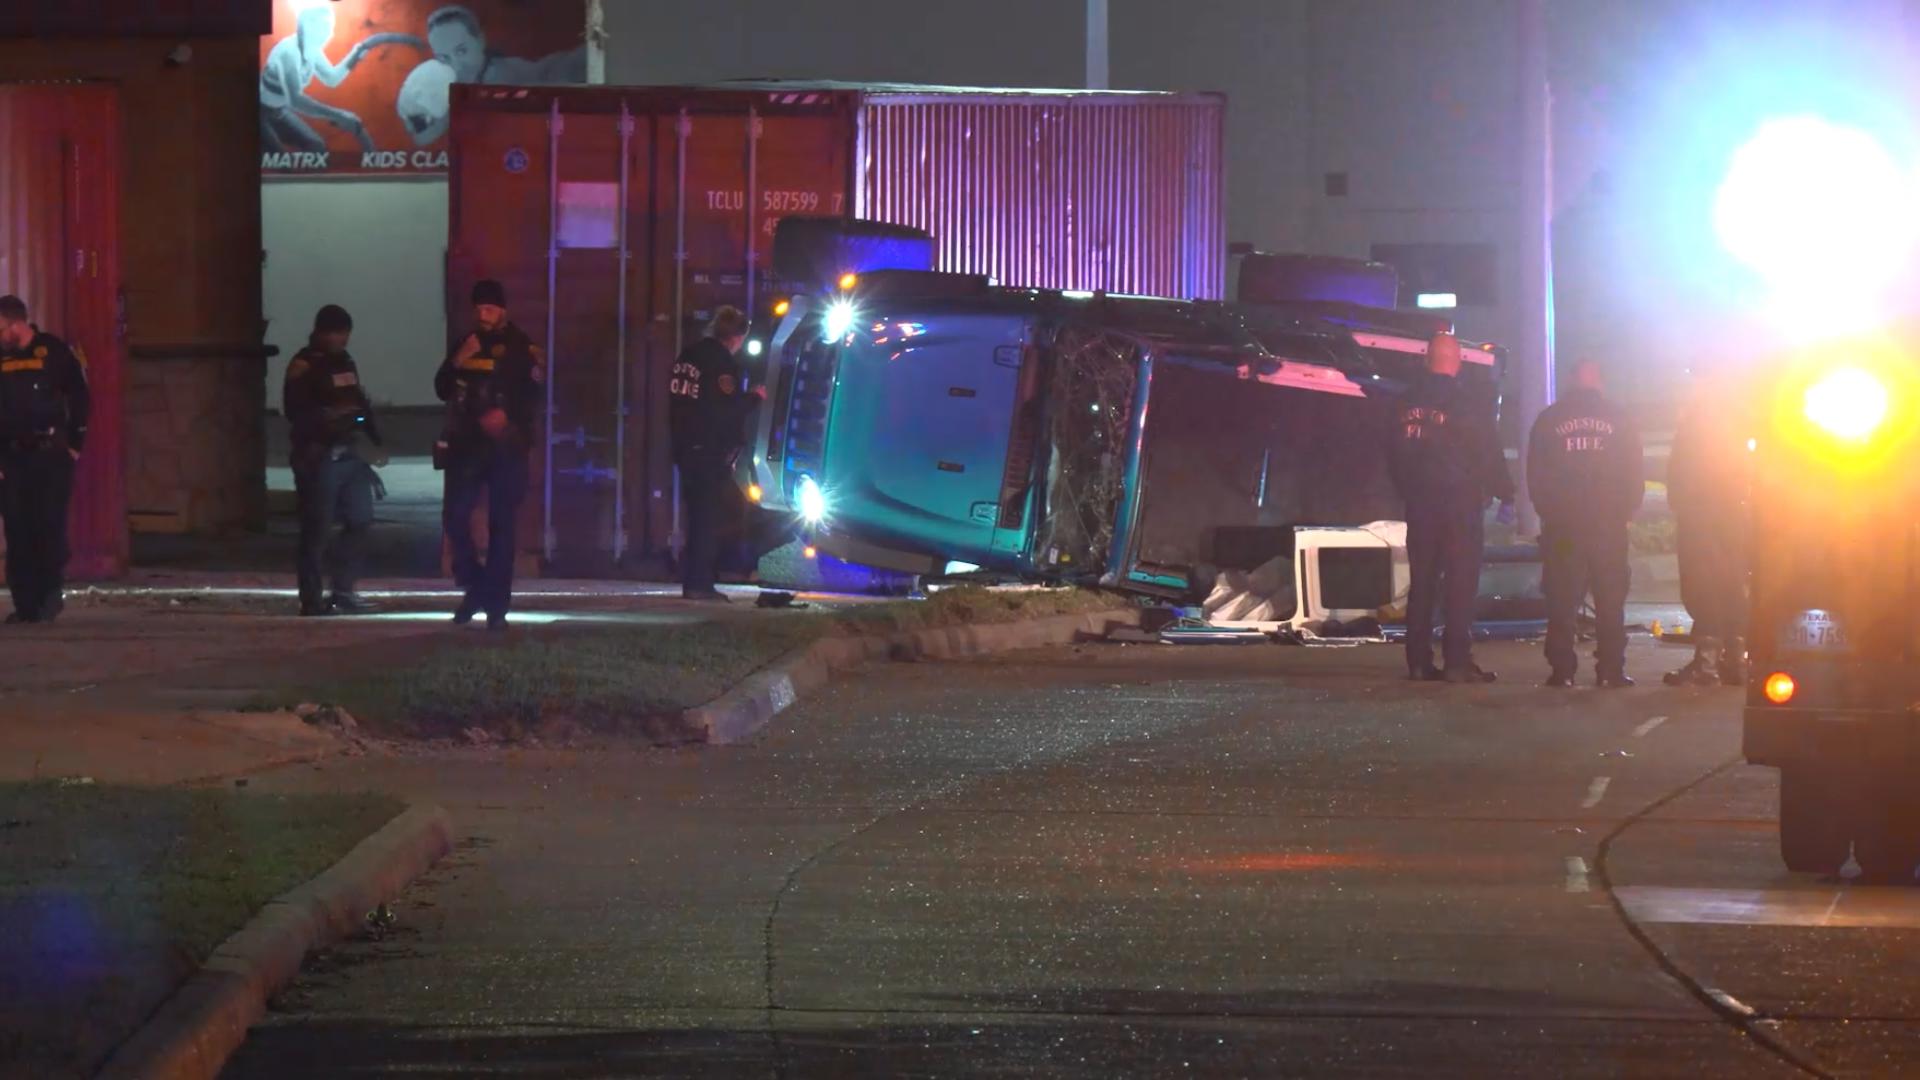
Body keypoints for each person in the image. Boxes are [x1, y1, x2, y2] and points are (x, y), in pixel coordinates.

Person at [1388, 332, 1515, 683]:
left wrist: (1408, 491)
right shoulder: (1467, 402)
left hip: (1419, 505)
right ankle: (1457, 662)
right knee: (1460, 584)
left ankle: (1417, 661)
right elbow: (1487, 451)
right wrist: (1505, 492)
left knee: (1423, 582)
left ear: (1428, 359)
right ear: (1456, 362)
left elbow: (1392, 456)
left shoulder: (1402, 404)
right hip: (1460, 505)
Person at [1527, 359, 1644, 688]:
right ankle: (1610, 669)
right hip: (1607, 525)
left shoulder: (1550, 420)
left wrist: (1549, 513)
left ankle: (1562, 670)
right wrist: (1626, 512)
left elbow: (1535, 473)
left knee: (1562, 598)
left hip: (1564, 526)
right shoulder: (1619, 419)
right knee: (1610, 599)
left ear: (1571, 380)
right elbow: (1634, 470)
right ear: (1600, 382)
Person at [436, 280, 543, 630]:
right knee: (455, 516)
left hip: (505, 448)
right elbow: (441, 388)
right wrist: (456, 362)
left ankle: (495, 606)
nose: (483, 315)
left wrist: (507, 416)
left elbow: (534, 394)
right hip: (468, 446)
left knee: (502, 527)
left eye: (490, 309)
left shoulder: (521, 347)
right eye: (479, 308)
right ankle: (476, 584)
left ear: (502, 311)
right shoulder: (467, 344)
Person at [284, 305, 387, 617]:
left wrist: (373, 438)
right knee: (316, 529)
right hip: (320, 456)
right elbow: (295, 411)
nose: (340, 339)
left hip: (351, 453)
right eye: (334, 333)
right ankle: (312, 599)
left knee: (360, 520)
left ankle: (343, 590)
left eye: (344, 334)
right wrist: (326, 421)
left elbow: (359, 402)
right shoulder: (304, 364)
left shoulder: (345, 361)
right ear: (320, 332)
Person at [0, 295, 89, 625]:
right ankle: (25, 604)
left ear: (17, 324)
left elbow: (79, 393)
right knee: (18, 529)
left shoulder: (52, 351)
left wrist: (75, 443)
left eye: (1, 329)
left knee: (48, 526)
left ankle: (49, 597)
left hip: (49, 455)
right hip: (11, 457)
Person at [1663, 368, 1754, 686]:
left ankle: (1707, 663)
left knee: (1702, 584)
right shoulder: (1738, 422)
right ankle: (1736, 658)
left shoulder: (1695, 425)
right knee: (1732, 582)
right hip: (1731, 514)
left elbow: (1680, 471)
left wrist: (1681, 503)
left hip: (1700, 515)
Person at [669, 306, 762, 601]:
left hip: (685, 447)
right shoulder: (721, 363)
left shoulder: (688, 356)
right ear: (737, 337)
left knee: (696, 514)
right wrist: (754, 398)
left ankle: (695, 579)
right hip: (709, 451)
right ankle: (699, 583)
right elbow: (725, 411)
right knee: (707, 518)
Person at [258, 3, 421, 154]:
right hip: (259, 112)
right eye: (323, 28)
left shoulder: (312, 50)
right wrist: (338, 115)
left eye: (330, 29)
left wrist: (358, 52)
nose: (328, 34)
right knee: (282, 162)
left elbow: (332, 79)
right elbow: (296, 100)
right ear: (306, 25)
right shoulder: (288, 52)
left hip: (279, 112)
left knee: (317, 148)